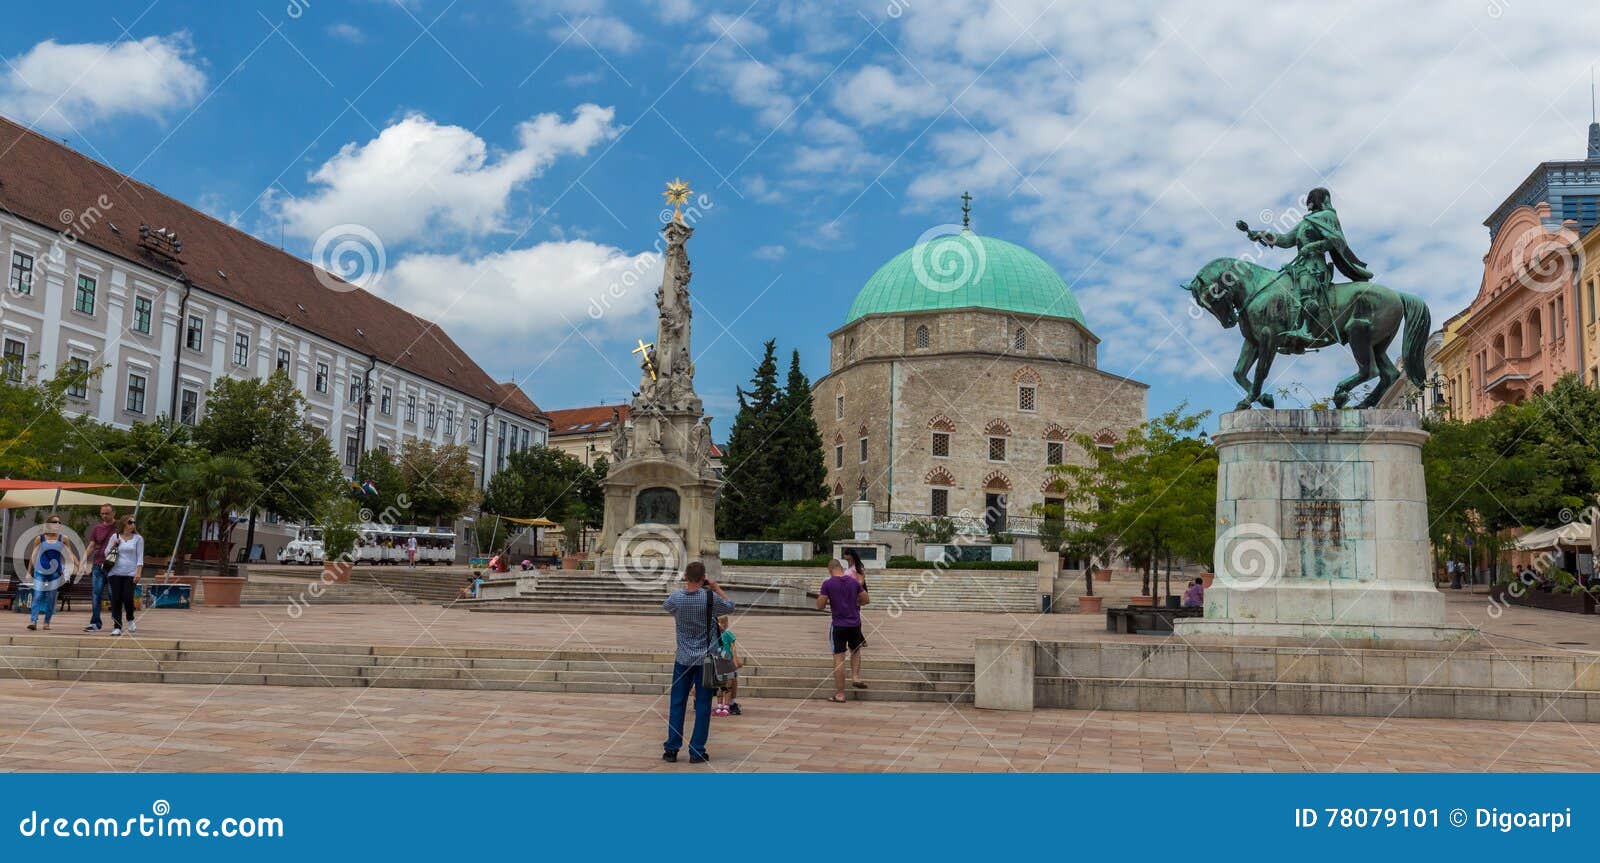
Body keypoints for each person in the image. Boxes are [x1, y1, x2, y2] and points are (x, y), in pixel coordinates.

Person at [1237, 187, 1373, 352]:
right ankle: (1289, 330)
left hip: (1316, 267)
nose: (1327, 202)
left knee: (1306, 290)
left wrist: (1313, 246)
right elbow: (1286, 240)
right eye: (1325, 199)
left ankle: (1306, 331)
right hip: (1300, 265)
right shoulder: (1306, 222)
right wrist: (1261, 234)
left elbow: (1337, 241)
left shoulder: (1328, 217)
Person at [661, 561, 734, 764]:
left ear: (685, 576)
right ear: (703, 578)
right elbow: (731, 607)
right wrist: (716, 587)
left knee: (677, 703)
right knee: (702, 705)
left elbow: (666, 607)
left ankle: (672, 748)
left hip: (683, 658)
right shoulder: (710, 598)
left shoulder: (676, 598)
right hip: (706, 660)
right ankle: (697, 750)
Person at [818, 559, 869, 703]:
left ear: (830, 570)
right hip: (855, 623)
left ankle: (840, 694)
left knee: (839, 658)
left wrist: (831, 600)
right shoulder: (853, 582)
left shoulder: (828, 583)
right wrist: (854, 602)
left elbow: (820, 605)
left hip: (839, 624)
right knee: (856, 650)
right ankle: (856, 677)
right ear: (841, 568)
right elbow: (866, 599)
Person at [27, 514, 79, 631]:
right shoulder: (40, 538)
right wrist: (28, 571)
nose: (58, 524)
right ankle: (33, 621)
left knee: (51, 598)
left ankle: (46, 622)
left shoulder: (63, 538)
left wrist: (78, 565)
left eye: (59, 522)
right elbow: (33, 555)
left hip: (55, 572)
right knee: (38, 595)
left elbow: (70, 554)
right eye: (55, 522)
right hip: (40, 571)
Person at [105, 515, 144, 636]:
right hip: (115, 573)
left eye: (134, 522)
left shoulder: (138, 538)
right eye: (130, 522)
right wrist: (114, 545)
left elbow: (140, 557)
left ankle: (130, 618)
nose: (133, 524)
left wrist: (138, 572)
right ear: (124, 524)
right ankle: (117, 626)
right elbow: (106, 552)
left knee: (128, 597)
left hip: (130, 573)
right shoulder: (115, 536)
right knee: (116, 599)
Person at [82, 504, 117, 632]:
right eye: (102, 513)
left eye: (107, 513)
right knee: (96, 594)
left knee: (113, 594)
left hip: (114, 566)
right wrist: (83, 559)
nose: (104, 516)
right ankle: (95, 623)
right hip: (98, 564)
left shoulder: (120, 526)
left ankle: (117, 622)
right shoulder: (97, 528)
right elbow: (91, 545)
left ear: (114, 513)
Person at [713, 615, 742, 717]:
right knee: (719, 686)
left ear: (726, 624)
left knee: (728, 685)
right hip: (717, 663)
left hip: (727, 663)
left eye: (722, 623)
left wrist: (735, 660)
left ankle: (727, 705)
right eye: (718, 623)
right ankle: (719, 704)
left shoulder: (727, 634)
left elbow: (733, 647)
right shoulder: (713, 635)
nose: (720, 625)